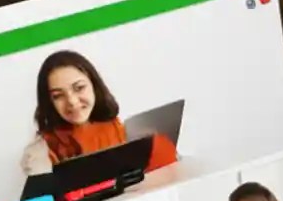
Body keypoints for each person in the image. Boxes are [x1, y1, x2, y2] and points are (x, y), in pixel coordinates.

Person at [20, 50, 178, 176]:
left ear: (94, 86)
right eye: (58, 96)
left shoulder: (116, 126)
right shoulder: (42, 150)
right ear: (49, 102)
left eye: (79, 88)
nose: (72, 102)